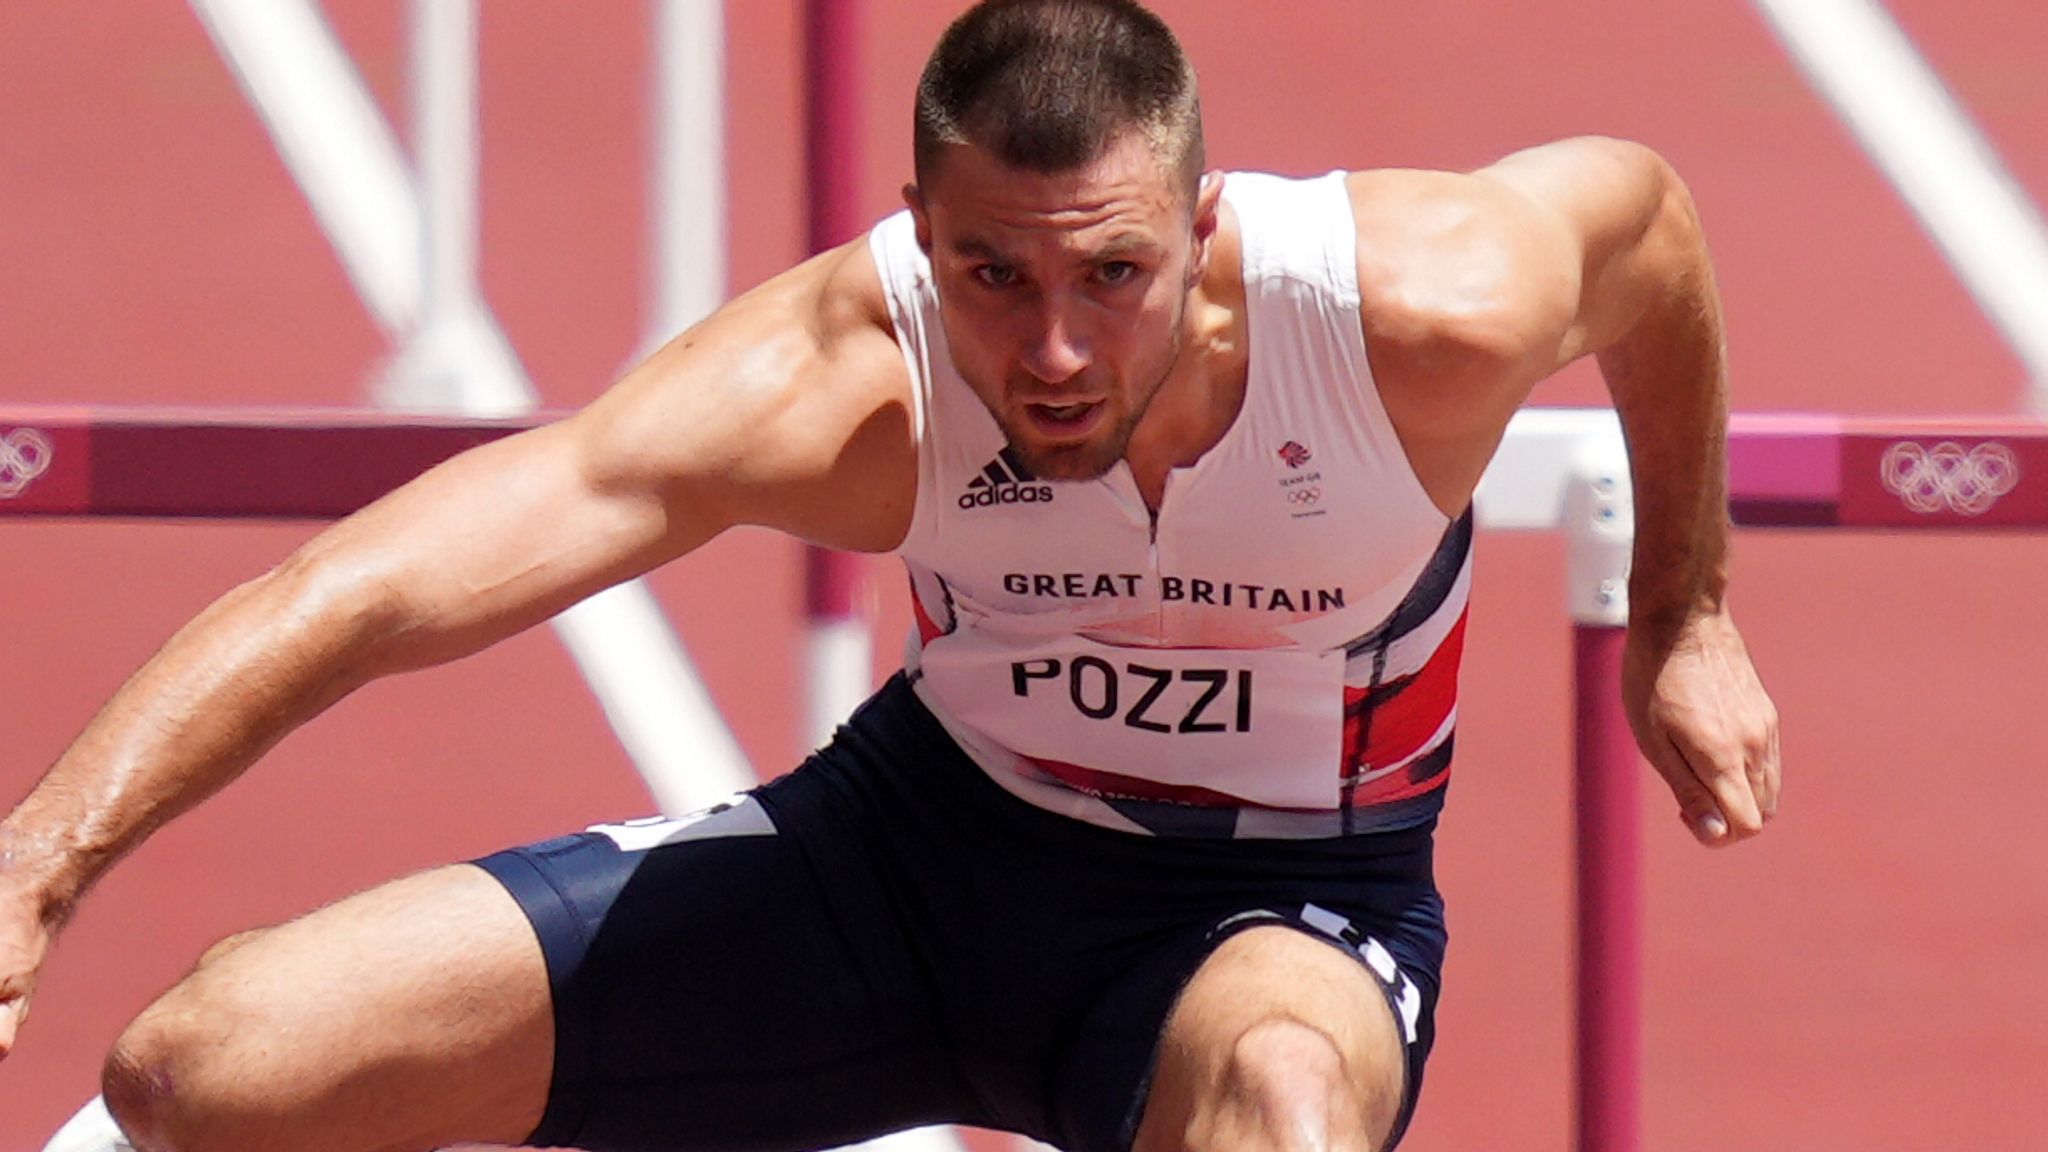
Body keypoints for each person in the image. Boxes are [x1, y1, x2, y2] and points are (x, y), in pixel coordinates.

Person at [0, 1, 1780, 1150]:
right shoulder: (855, 374)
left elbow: (1655, 226)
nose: (1059, 350)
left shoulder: (1421, 310)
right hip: (905, 865)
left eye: (1112, 276)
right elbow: (385, 584)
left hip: (1277, 915)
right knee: (199, 1073)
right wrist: (44, 852)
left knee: (1282, 1106)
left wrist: (1687, 612)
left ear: (1208, 228)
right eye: (994, 278)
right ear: (924, 240)